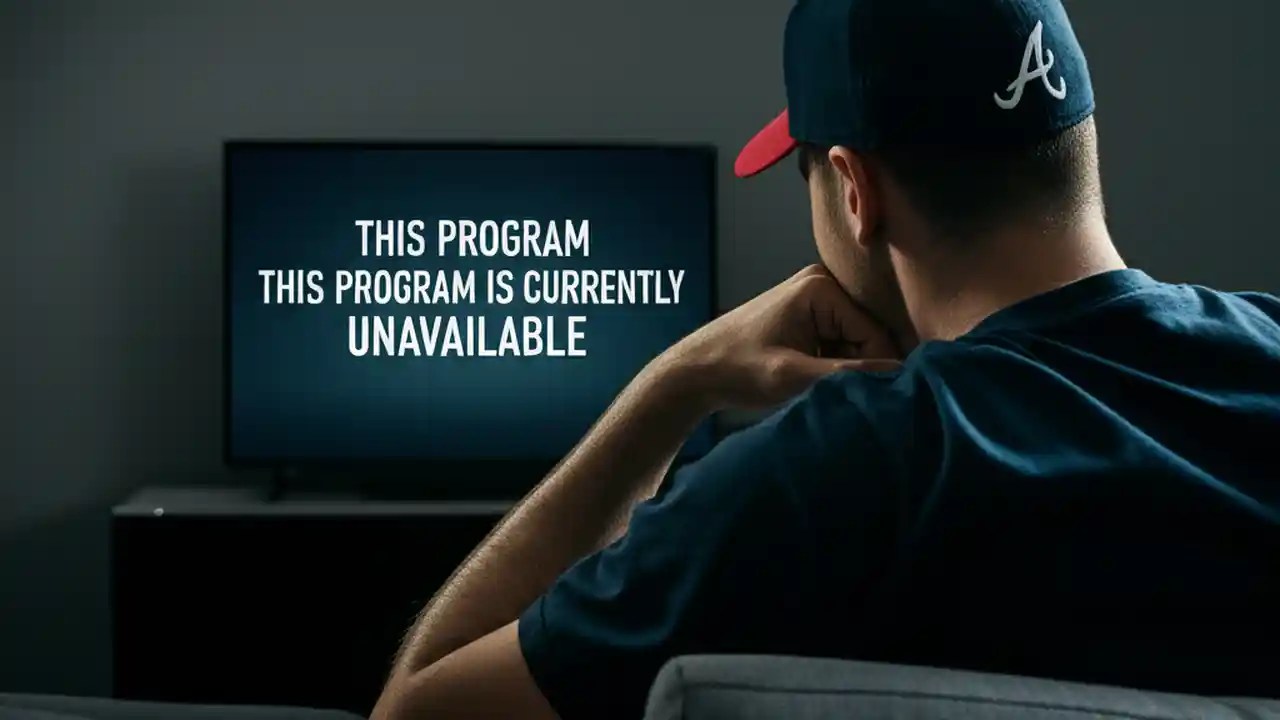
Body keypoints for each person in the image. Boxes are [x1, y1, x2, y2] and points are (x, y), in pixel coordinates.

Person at [371, 0, 1280, 717]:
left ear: (854, 191)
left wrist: (672, 384)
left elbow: (416, 711)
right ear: (1079, 143)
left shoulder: (831, 471)